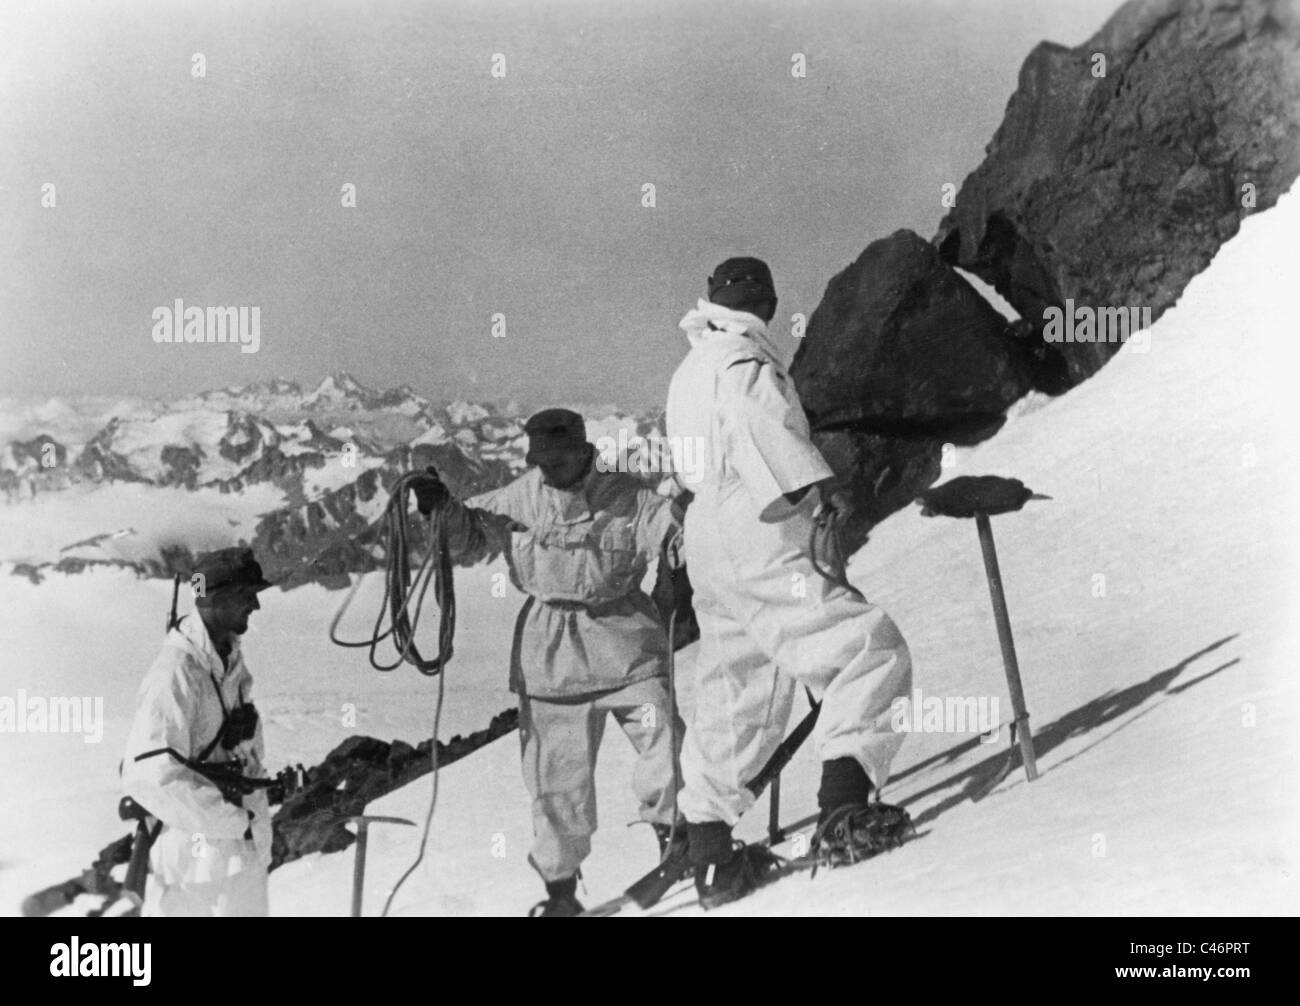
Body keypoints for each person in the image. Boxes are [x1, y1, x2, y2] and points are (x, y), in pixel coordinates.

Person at [665, 256, 914, 909]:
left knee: (736, 680)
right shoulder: (745, 357)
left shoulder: (691, 366)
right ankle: (842, 811)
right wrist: (818, 488)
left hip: (705, 534)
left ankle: (712, 852)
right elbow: (760, 427)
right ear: (764, 301)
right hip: (754, 516)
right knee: (863, 646)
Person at [413, 408, 687, 917]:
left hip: (625, 639)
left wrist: (686, 532)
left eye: (560, 458)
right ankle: (560, 893)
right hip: (551, 653)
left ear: (584, 450)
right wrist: (439, 509)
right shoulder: (521, 496)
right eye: (542, 460)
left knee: (663, 734)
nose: (551, 469)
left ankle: (677, 840)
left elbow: (668, 531)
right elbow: (470, 533)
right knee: (556, 780)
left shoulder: (628, 495)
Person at [120, 547, 276, 917]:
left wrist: (256, 837)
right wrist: (237, 824)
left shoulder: (230, 663)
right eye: (245, 595)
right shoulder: (175, 674)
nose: (255, 605)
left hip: (239, 859)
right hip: (195, 871)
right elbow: (151, 776)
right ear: (216, 598)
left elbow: (248, 757)